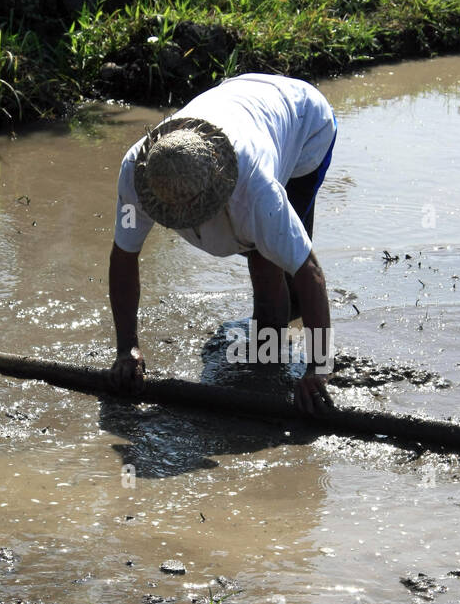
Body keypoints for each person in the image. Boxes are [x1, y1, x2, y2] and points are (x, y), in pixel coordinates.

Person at [108, 73, 337, 414]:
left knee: (266, 259)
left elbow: (310, 269)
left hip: (306, 124)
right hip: (241, 98)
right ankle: (276, 329)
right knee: (269, 261)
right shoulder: (139, 173)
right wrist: (127, 349)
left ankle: (271, 350)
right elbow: (124, 256)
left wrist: (319, 368)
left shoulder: (256, 192)